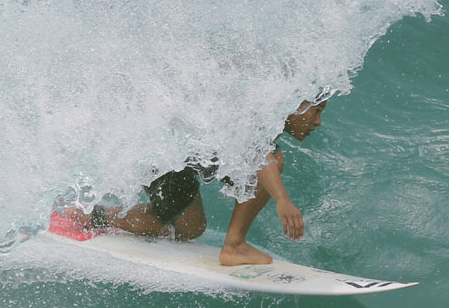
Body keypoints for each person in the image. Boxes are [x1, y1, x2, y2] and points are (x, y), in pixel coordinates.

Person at [52, 98, 327, 267]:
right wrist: (282, 200)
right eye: (316, 112)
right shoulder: (262, 116)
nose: (318, 122)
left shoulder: (268, 113)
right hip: (163, 152)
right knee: (273, 161)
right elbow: (262, 158)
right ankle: (234, 246)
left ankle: (91, 215)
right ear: (297, 106)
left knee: (190, 228)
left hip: (177, 153)